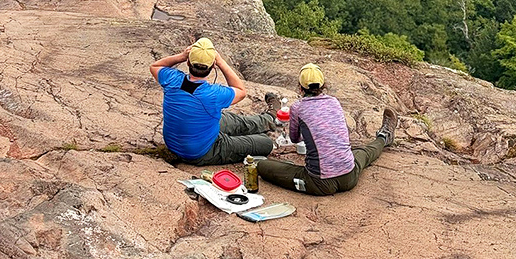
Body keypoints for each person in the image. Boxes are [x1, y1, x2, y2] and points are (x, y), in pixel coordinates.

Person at [257, 63, 397, 196]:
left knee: (262, 166)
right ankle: (384, 136)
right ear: (323, 85)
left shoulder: (297, 107)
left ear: (300, 87)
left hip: (318, 182)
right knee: (364, 152)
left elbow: (294, 138)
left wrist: (309, 134)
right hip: (349, 176)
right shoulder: (334, 101)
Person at [150, 38, 280, 165]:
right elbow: (241, 91)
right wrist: (221, 62)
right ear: (213, 66)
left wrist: (181, 56)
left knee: (229, 119)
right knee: (266, 143)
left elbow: (155, 66)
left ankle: (269, 118)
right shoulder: (213, 94)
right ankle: (266, 124)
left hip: (174, 144)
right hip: (201, 152)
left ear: (188, 62)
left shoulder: (171, 79)